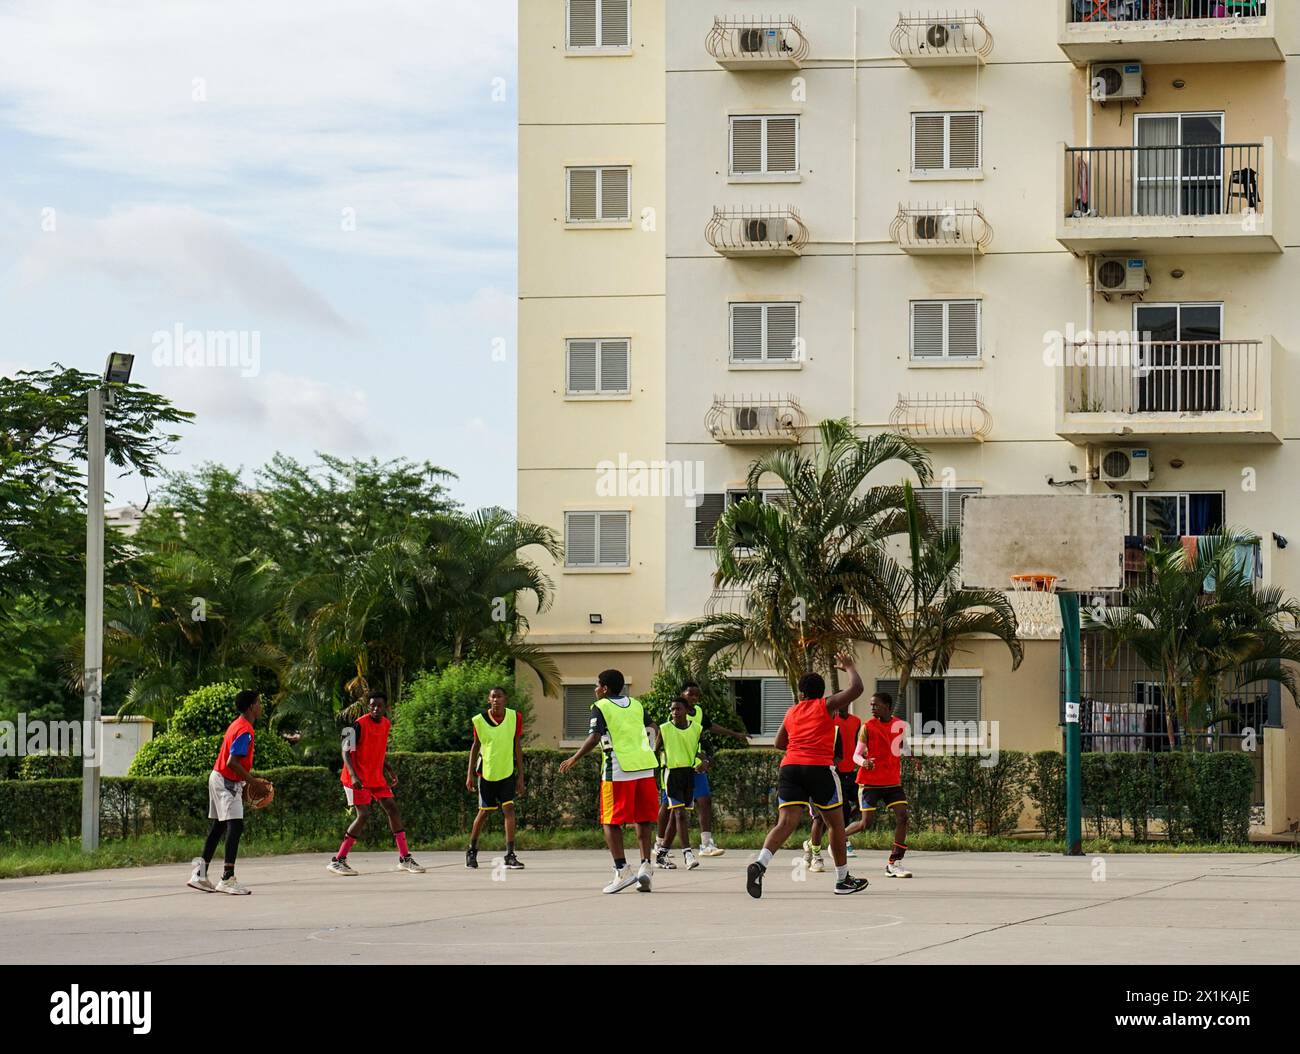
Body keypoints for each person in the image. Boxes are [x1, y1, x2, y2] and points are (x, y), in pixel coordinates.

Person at [745, 656, 870, 899]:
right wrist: (850, 667)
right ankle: (842, 879)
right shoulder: (825, 706)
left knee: (784, 824)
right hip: (818, 768)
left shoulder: (792, 711)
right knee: (835, 824)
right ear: (821, 692)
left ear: (801, 692)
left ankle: (760, 864)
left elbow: (778, 742)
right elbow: (857, 689)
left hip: (790, 768)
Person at [559, 669, 661, 894]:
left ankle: (622, 870)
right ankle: (646, 865)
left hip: (618, 769)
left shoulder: (601, 706)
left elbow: (595, 737)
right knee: (642, 818)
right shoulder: (636, 704)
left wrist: (574, 758)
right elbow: (654, 729)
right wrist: (650, 750)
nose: (595, 689)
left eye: (597, 685)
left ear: (604, 688)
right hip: (644, 768)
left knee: (610, 820)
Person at [326, 691, 425, 876]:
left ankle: (405, 858)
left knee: (392, 809)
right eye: (372, 705)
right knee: (363, 815)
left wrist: (387, 767)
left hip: (374, 777)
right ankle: (338, 860)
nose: (375, 709)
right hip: (355, 777)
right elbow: (345, 751)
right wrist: (354, 776)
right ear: (368, 706)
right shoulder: (358, 725)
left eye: (379, 705)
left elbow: (376, 749)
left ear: (386, 707)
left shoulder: (386, 724)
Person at [188, 689, 262, 895]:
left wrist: (245, 781)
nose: (261, 706)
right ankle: (227, 878)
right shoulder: (245, 730)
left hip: (219, 777)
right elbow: (233, 762)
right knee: (235, 826)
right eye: (258, 703)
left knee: (219, 827)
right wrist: (252, 781)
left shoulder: (237, 724)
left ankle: (199, 875)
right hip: (226, 781)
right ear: (251, 707)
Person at [844, 691, 913, 878]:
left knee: (903, 817)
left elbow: (901, 746)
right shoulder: (867, 727)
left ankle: (895, 863)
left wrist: (913, 757)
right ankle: (840, 837)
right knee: (866, 823)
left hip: (892, 782)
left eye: (876, 704)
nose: (872, 707)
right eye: (871, 705)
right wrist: (863, 762)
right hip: (870, 783)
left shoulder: (898, 724)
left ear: (887, 706)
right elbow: (856, 755)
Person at [464, 685, 525, 870]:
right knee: (484, 812)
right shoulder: (479, 720)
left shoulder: (515, 717)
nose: (496, 700)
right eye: (493, 697)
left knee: (509, 810)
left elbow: (517, 746)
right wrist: (470, 774)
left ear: (505, 699)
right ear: (488, 700)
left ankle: (510, 854)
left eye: (499, 696)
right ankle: (471, 851)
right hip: (487, 773)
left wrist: (521, 776)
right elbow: (475, 746)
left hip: (506, 772)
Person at [803, 706, 863, 872]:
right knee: (819, 818)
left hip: (843, 773)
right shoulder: (809, 726)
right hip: (815, 776)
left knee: (858, 807)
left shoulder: (851, 723)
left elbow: (841, 753)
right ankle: (817, 854)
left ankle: (832, 838)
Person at [655, 698, 705, 871]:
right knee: (680, 814)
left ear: (686, 710)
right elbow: (654, 752)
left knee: (677, 819)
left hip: (689, 774)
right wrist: (654, 776)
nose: (674, 712)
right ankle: (688, 854)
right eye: (672, 709)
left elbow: (708, 751)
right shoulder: (664, 729)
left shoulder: (697, 729)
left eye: (678, 709)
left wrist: (706, 761)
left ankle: (661, 855)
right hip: (672, 774)